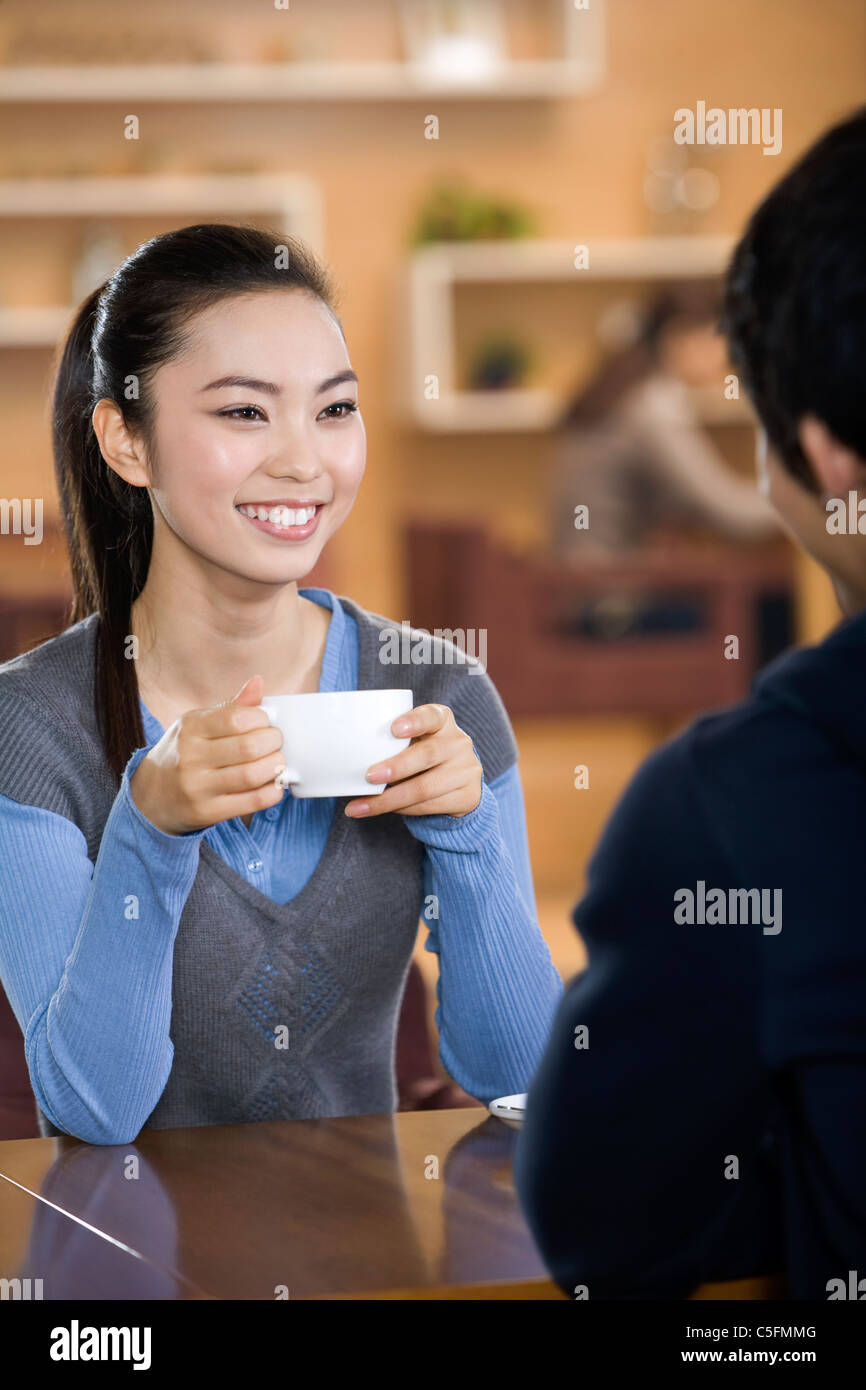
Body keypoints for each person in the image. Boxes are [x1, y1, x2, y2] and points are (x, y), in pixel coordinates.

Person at [0, 223, 562, 1145]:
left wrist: (467, 839)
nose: (305, 460)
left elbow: (523, 1081)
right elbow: (95, 1110)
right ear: (126, 441)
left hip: (374, 1275)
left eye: (334, 410)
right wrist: (149, 826)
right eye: (244, 413)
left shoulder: (440, 693)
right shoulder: (29, 725)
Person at [514, 107, 866, 1300]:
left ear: (821, 453)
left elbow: (600, 1224)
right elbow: (720, 511)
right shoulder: (653, 406)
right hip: (612, 603)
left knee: (758, 628)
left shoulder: (732, 810)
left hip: (591, 598)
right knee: (750, 607)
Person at [549, 281, 779, 562]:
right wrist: (811, 503)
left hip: (578, 585)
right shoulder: (653, 405)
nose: (726, 358)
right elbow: (730, 513)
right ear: (678, 338)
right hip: (613, 597)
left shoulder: (623, 389)